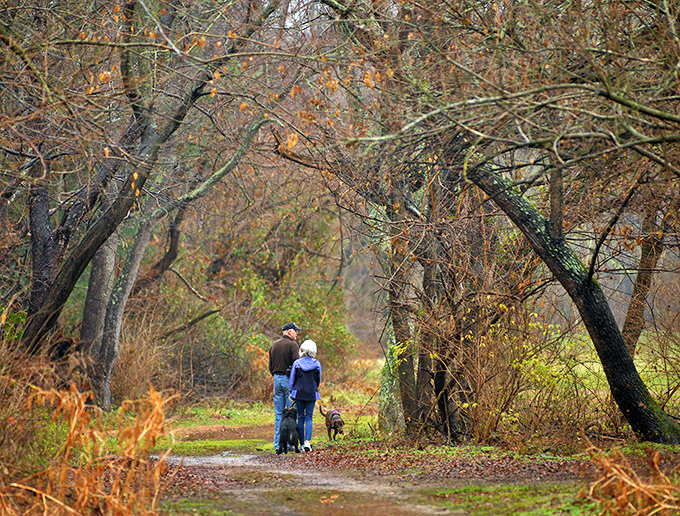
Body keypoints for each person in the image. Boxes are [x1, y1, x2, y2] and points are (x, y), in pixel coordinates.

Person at [269, 322, 301, 452]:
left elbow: (270, 366)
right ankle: (289, 444)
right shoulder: (293, 345)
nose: (297, 333)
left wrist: (276, 376)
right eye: (295, 331)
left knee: (279, 415)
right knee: (291, 414)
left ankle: (278, 444)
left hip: (276, 379)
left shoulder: (274, 345)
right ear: (289, 332)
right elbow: (297, 366)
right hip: (289, 381)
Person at [289, 339, 321, 452]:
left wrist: (291, 391)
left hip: (299, 393)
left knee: (300, 418)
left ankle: (302, 444)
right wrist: (314, 388)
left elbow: (292, 379)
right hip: (311, 393)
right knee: (309, 417)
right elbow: (318, 380)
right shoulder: (317, 364)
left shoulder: (297, 363)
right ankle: (308, 442)